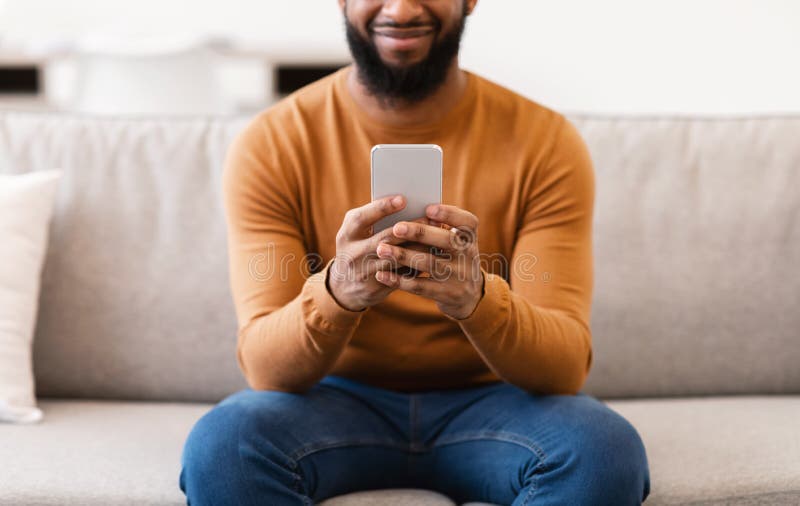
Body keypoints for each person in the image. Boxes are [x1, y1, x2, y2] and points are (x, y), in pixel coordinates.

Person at [180, 1, 651, 504]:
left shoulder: (546, 143)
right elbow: (266, 369)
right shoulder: (272, 143)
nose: (401, 9)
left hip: (496, 402)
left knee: (603, 451)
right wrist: (339, 293)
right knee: (222, 447)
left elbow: (563, 370)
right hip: (332, 401)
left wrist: (476, 299)